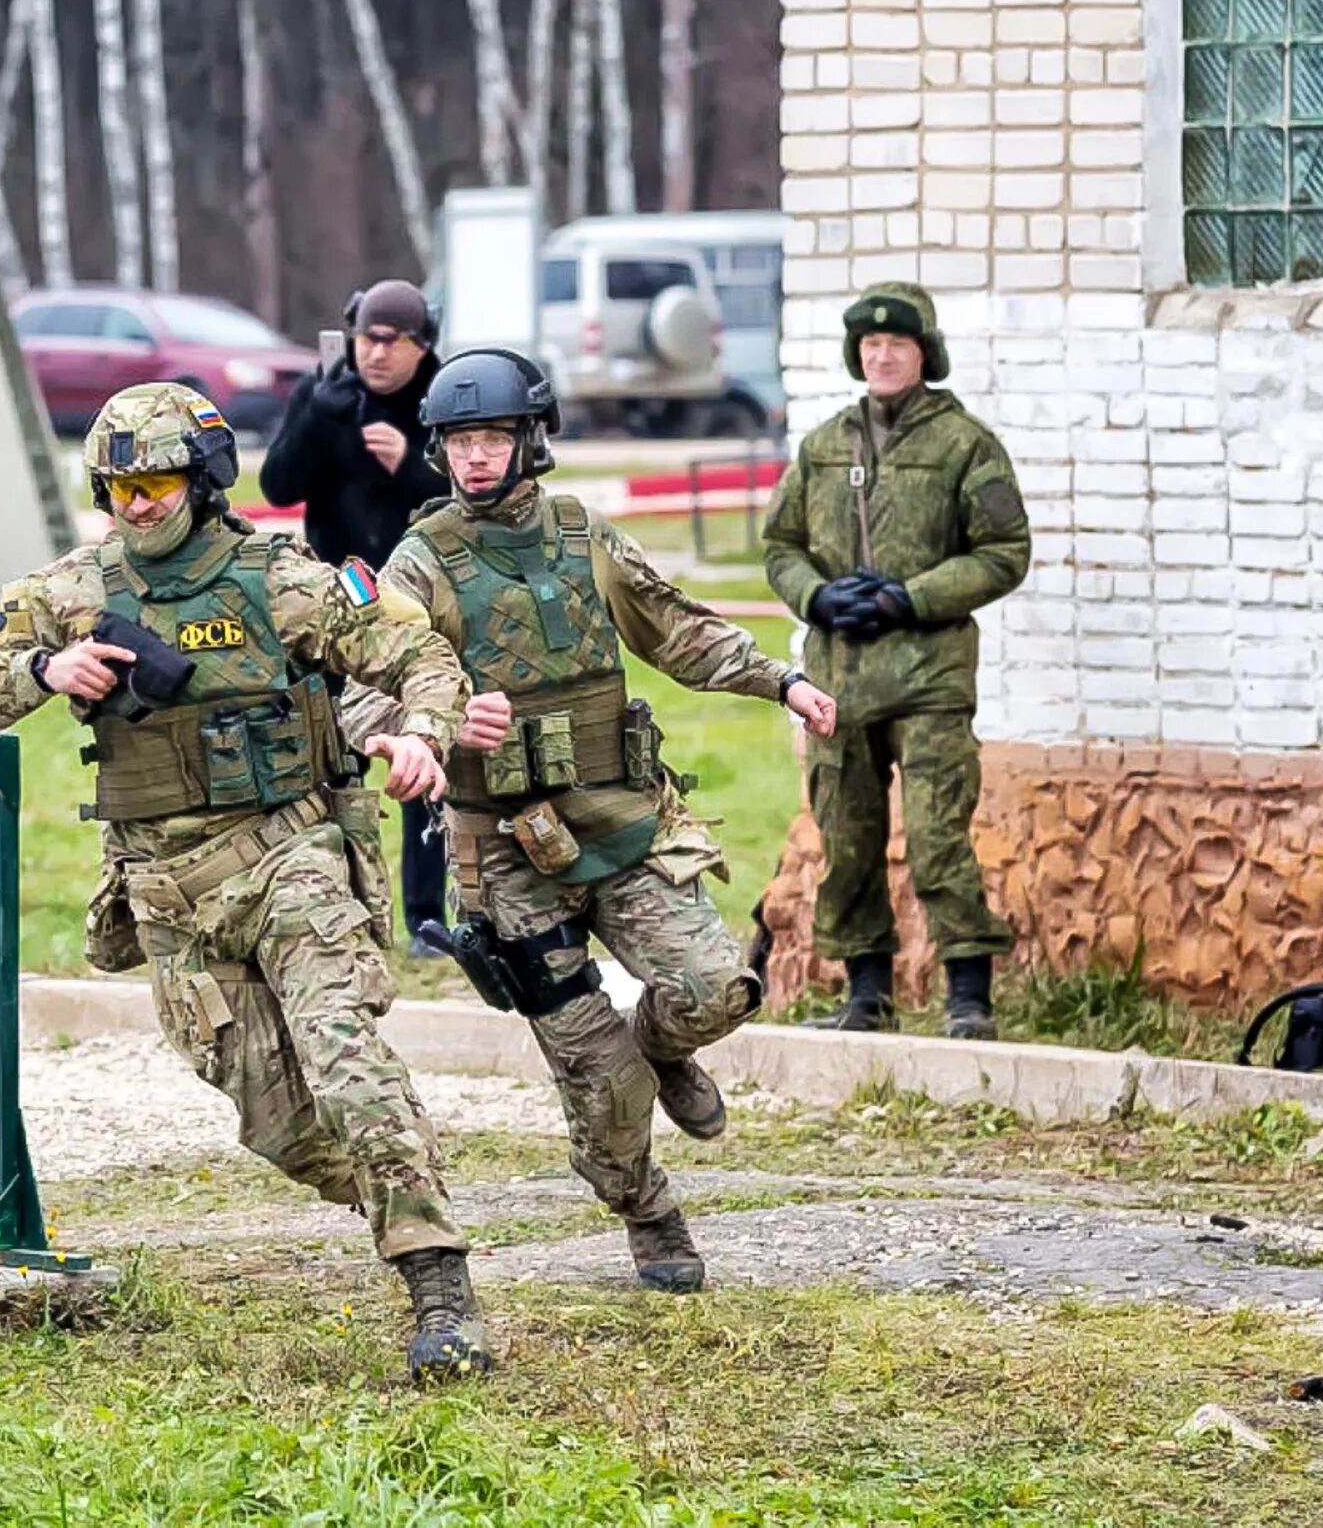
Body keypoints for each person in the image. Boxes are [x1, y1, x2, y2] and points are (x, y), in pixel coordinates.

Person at [0, 382, 493, 1380]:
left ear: (200, 482)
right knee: (277, 1125)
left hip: (288, 857)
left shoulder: (278, 580)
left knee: (344, 1061)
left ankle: (438, 1285)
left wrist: (421, 734)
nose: (137, 505)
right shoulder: (71, 592)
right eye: (119, 489)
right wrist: (43, 673)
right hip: (169, 894)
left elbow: (419, 655)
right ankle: (406, 1186)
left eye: (155, 484)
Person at [345, 348, 839, 1293]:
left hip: (622, 820)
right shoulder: (423, 560)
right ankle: (648, 1209)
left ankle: (660, 1046)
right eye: (459, 440)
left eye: (493, 437)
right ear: (440, 449)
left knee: (717, 991)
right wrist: (423, 727)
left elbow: (676, 626)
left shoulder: (582, 534)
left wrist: (781, 680)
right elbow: (368, 681)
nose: (476, 456)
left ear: (529, 439)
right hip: (507, 852)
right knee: (597, 1075)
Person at [762, 282, 1031, 1040]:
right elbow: (780, 544)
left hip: (929, 678)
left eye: (898, 345)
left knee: (939, 839)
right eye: (870, 345)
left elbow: (1004, 552)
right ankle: (866, 996)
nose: (881, 356)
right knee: (846, 840)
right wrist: (815, 597)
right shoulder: (825, 446)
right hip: (839, 681)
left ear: (924, 354)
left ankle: (969, 1000)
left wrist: (909, 598)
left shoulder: (964, 444)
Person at [259, 280, 456, 956]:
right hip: (333, 607)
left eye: (391, 342)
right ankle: (336, 907)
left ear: (421, 345)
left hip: (416, 608)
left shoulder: (442, 398)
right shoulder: (326, 392)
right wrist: (316, 418)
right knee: (331, 760)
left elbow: (468, 497)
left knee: (421, 759)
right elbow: (276, 486)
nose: (374, 353)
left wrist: (411, 468)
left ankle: (426, 919)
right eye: (366, 339)